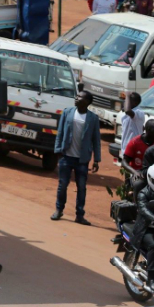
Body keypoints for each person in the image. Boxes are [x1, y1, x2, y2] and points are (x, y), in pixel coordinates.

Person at [52, 90, 100, 226]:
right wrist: (58, 150)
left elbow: (96, 139)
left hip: (82, 160)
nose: (77, 98)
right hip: (66, 156)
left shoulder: (93, 118)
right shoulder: (68, 112)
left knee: (82, 188)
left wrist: (96, 159)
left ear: (87, 102)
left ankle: (80, 215)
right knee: (62, 185)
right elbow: (60, 132)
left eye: (80, 97)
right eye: (77, 96)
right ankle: (59, 210)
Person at [120, 92, 145, 158]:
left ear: (135, 103)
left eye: (127, 100)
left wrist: (127, 95)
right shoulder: (129, 113)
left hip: (133, 147)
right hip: (125, 147)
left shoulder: (138, 112)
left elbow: (127, 110)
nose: (125, 102)